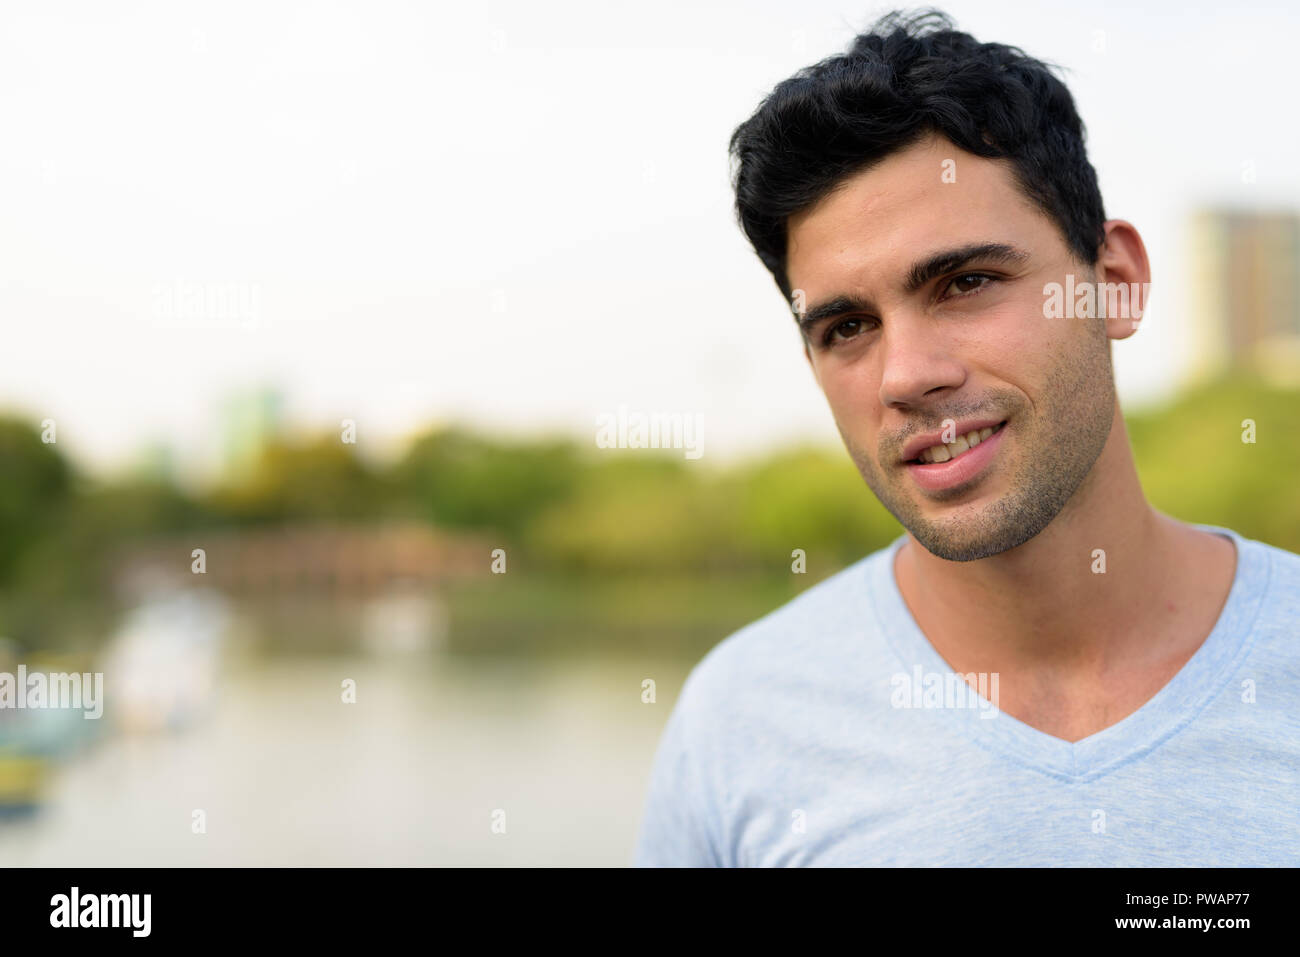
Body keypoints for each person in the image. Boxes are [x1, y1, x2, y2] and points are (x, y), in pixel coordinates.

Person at [633, 9, 1300, 866]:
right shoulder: (739, 721)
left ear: (1117, 282)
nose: (904, 375)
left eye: (967, 281)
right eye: (846, 327)